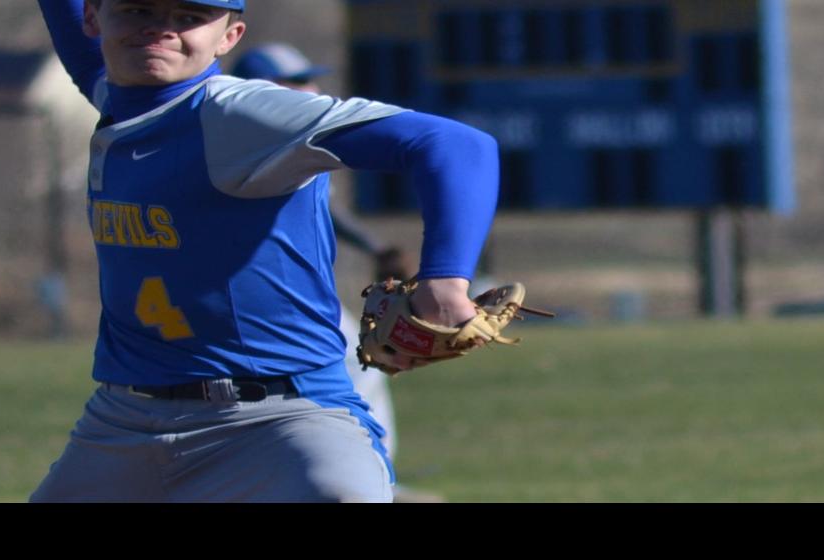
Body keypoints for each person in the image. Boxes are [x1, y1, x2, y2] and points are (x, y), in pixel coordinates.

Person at [31, 0, 499, 502]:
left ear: (230, 37)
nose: (160, 30)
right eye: (139, 9)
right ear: (95, 17)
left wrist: (446, 280)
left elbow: (456, 145)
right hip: (122, 424)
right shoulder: (121, 98)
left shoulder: (239, 114)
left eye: (188, 18)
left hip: (278, 418)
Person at [231, 41, 440, 503]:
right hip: (265, 297)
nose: (313, 88)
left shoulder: (266, 140)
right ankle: (367, 478)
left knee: (351, 366)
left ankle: (360, 475)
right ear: (266, 89)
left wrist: (376, 245)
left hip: (279, 296)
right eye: (299, 81)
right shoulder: (255, 140)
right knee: (353, 364)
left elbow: (325, 206)